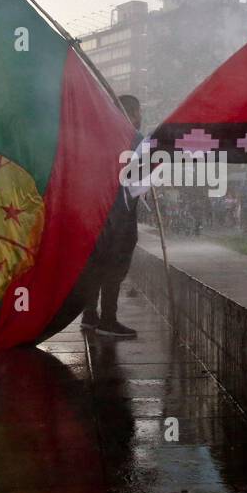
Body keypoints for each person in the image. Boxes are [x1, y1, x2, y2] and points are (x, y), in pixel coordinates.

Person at [80, 94, 143, 339]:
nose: (140, 118)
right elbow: (141, 177)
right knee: (115, 266)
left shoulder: (97, 137)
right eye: (139, 112)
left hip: (95, 214)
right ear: (131, 113)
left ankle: (89, 315)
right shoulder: (134, 140)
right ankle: (108, 319)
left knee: (95, 264)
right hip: (120, 214)